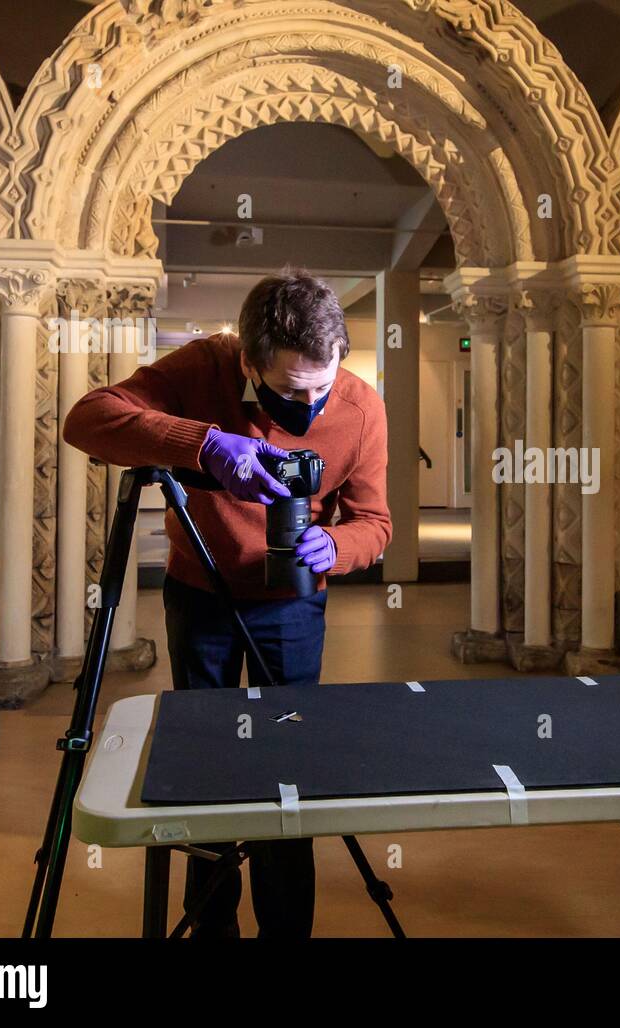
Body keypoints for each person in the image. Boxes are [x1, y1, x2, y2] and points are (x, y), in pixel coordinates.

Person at [63, 269, 392, 938]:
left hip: (293, 605)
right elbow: (88, 420)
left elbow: (375, 523)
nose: (310, 405)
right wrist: (205, 444)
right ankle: (211, 925)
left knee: (285, 767)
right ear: (248, 361)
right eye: (290, 392)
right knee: (208, 763)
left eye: (322, 387)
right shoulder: (203, 367)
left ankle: (286, 930)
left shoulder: (360, 408)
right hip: (199, 592)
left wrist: (340, 547)